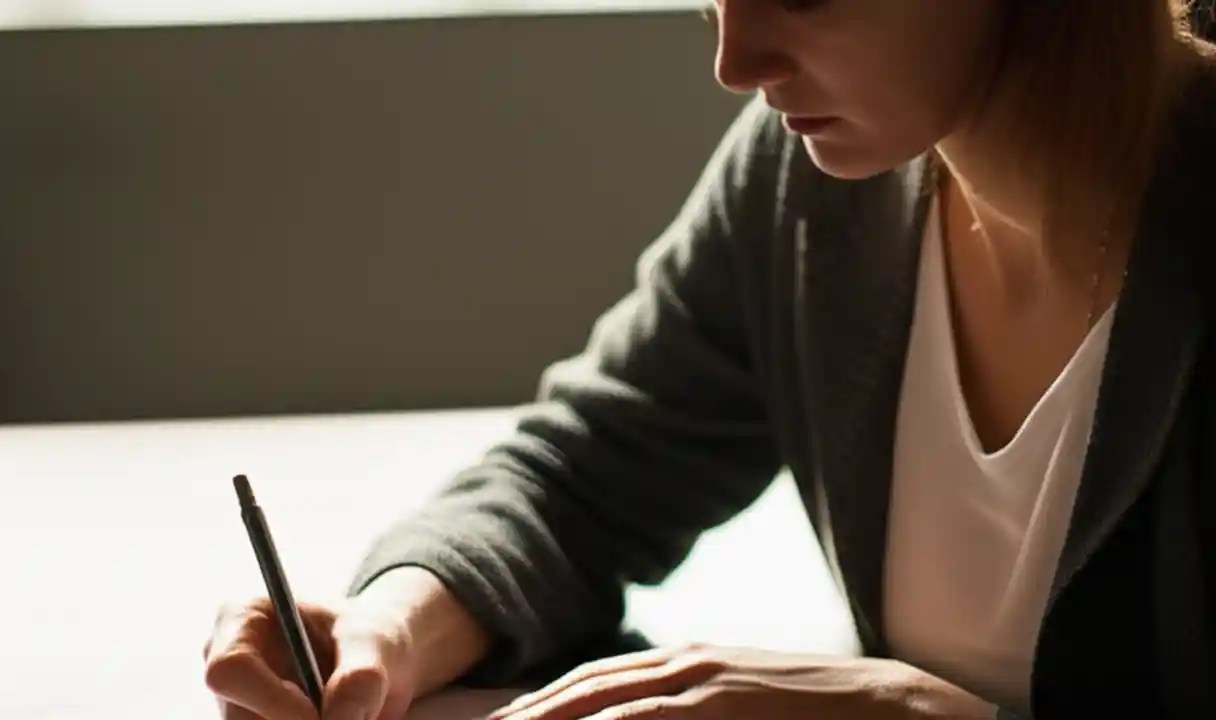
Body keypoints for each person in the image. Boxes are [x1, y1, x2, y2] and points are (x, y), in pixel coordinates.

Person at [202, 2, 1216, 718]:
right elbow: (580, 478)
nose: (735, 59)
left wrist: (921, 714)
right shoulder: (805, 185)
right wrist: (395, 624)